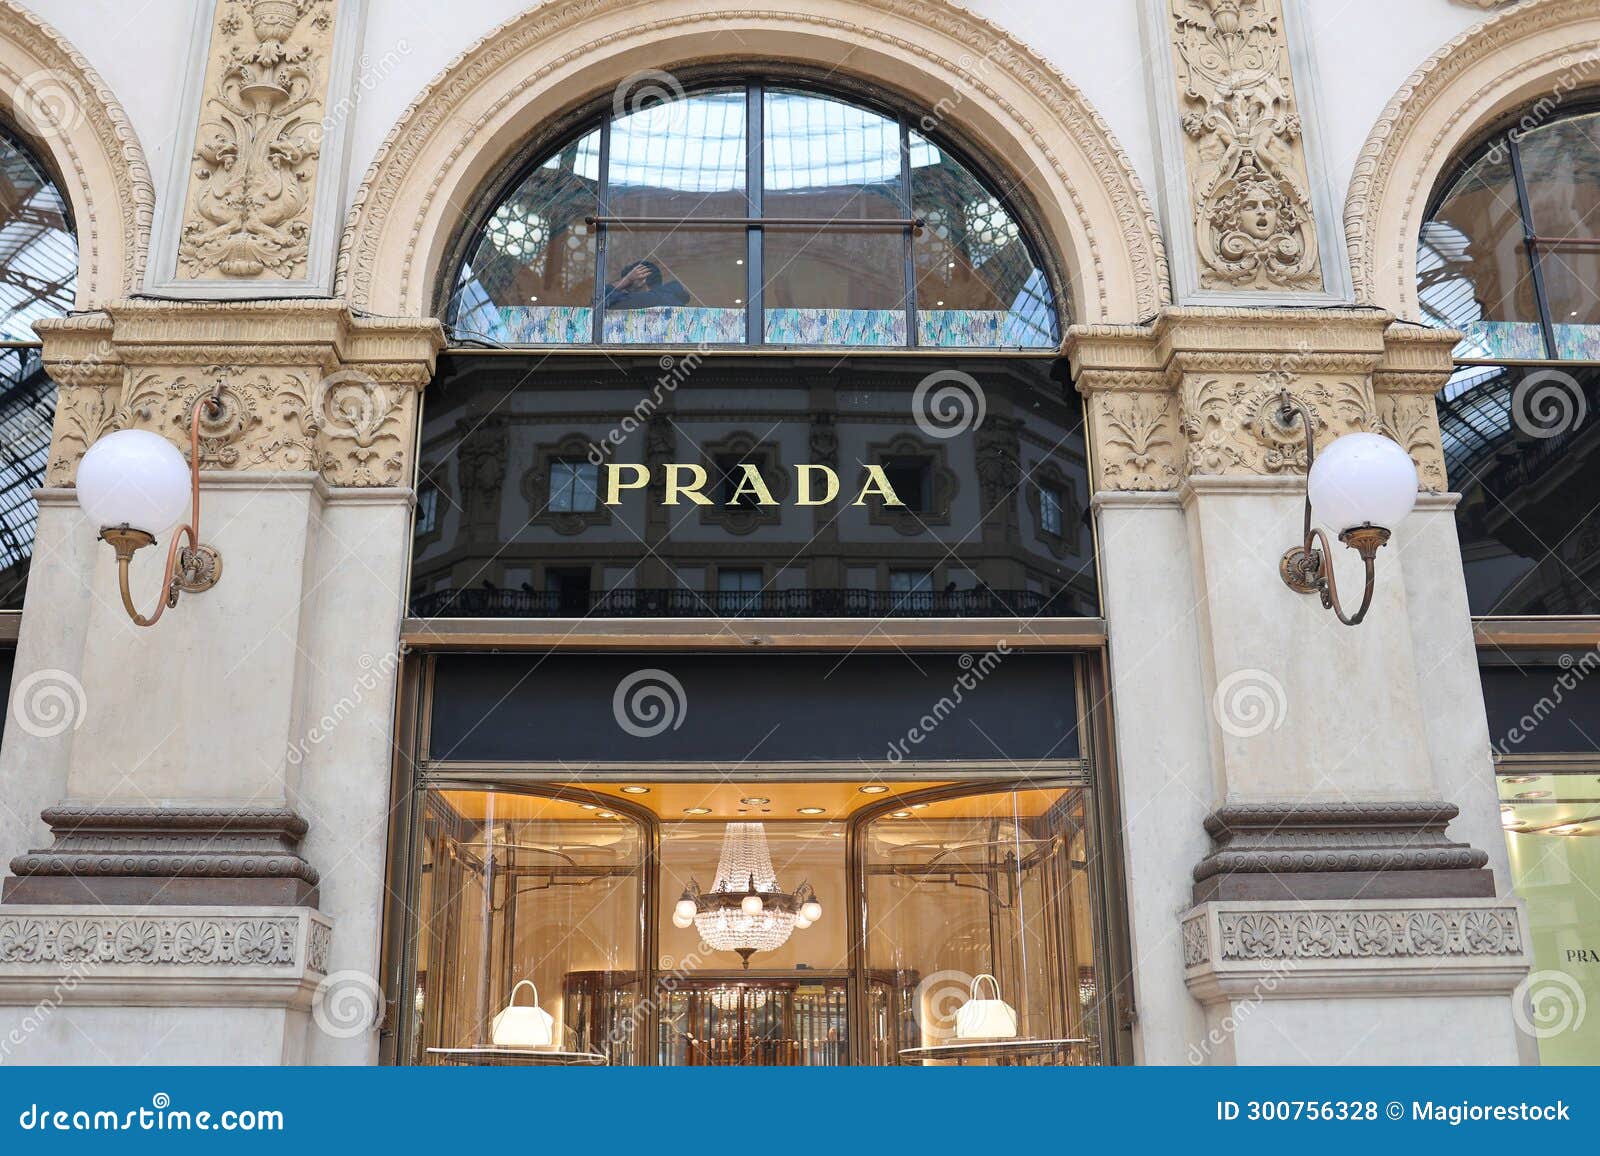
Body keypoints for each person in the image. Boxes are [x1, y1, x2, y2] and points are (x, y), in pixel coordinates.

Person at [603, 258, 691, 309]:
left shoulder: (643, 300)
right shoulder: (672, 299)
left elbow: (600, 300)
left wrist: (627, 280)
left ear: (641, 280)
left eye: (627, 287)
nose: (625, 291)